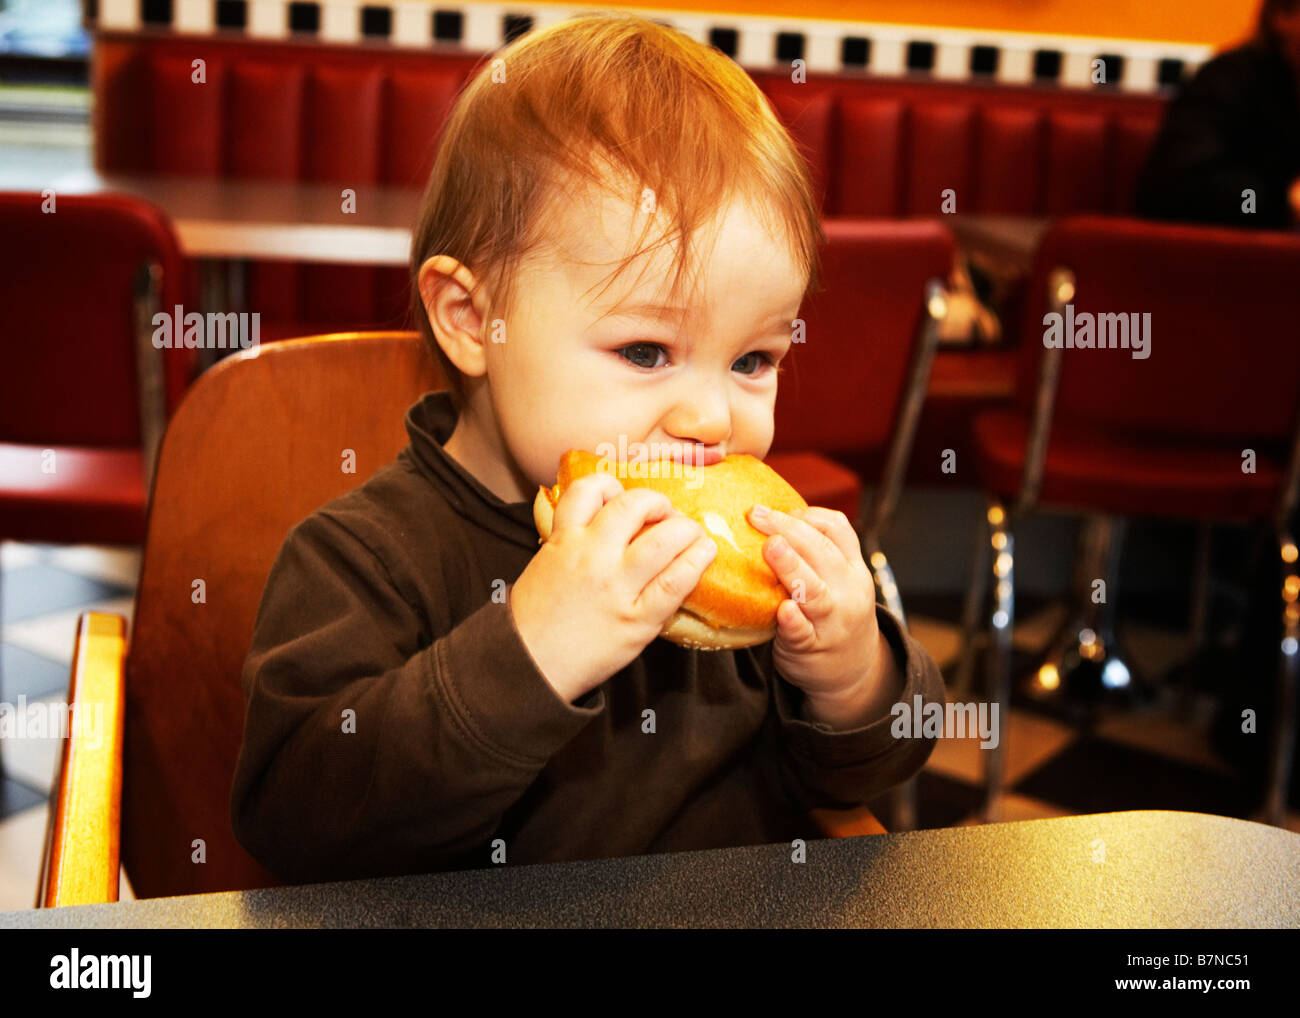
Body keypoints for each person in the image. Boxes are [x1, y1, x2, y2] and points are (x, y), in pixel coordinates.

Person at [228, 13, 946, 885]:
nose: (713, 418)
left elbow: (859, 777)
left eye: (754, 360)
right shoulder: (365, 559)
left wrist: (854, 676)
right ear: (470, 321)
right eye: (646, 352)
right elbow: (294, 817)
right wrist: (534, 650)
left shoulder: (743, 564)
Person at [1136, 0, 1300, 229]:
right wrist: (1284, 201)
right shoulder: (1225, 82)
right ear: (1283, 16)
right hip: (1215, 256)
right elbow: (1180, 189)